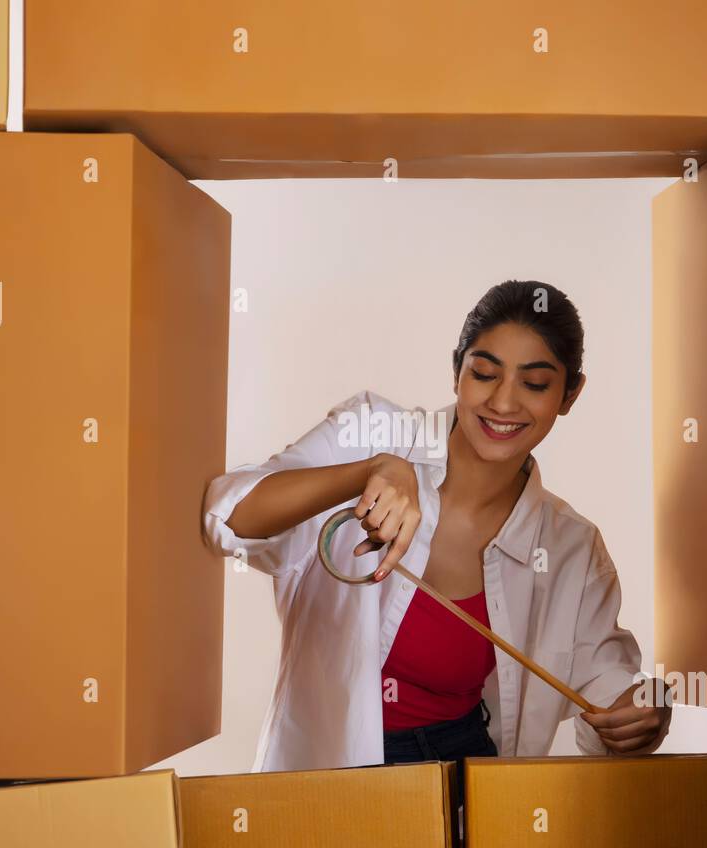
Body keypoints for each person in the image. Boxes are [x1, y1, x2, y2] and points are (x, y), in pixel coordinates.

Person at [201, 279, 671, 782]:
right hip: (328, 772)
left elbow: (608, 685)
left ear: (569, 395)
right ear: (456, 372)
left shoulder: (570, 545)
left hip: (465, 772)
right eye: (485, 373)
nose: (504, 403)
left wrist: (646, 708)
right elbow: (228, 515)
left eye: (535, 384)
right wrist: (368, 470)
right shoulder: (375, 431)